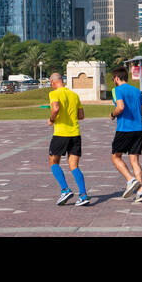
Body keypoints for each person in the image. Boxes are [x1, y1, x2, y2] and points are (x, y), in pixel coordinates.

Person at [46, 72, 88, 206]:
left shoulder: (54, 94)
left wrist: (51, 119)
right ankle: (83, 195)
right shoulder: (74, 95)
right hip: (75, 134)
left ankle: (65, 189)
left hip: (61, 134)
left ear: (52, 82)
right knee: (74, 165)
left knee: (53, 161)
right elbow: (81, 116)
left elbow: (56, 108)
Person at [109, 67, 142, 202]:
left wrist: (112, 114)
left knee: (115, 157)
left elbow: (120, 107)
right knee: (135, 161)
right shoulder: (137, 91)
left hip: (124, 129)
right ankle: (141, 192)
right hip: (138, 129)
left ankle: (130, 180)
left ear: (116, 78)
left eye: (113, 79)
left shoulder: (117, 90)